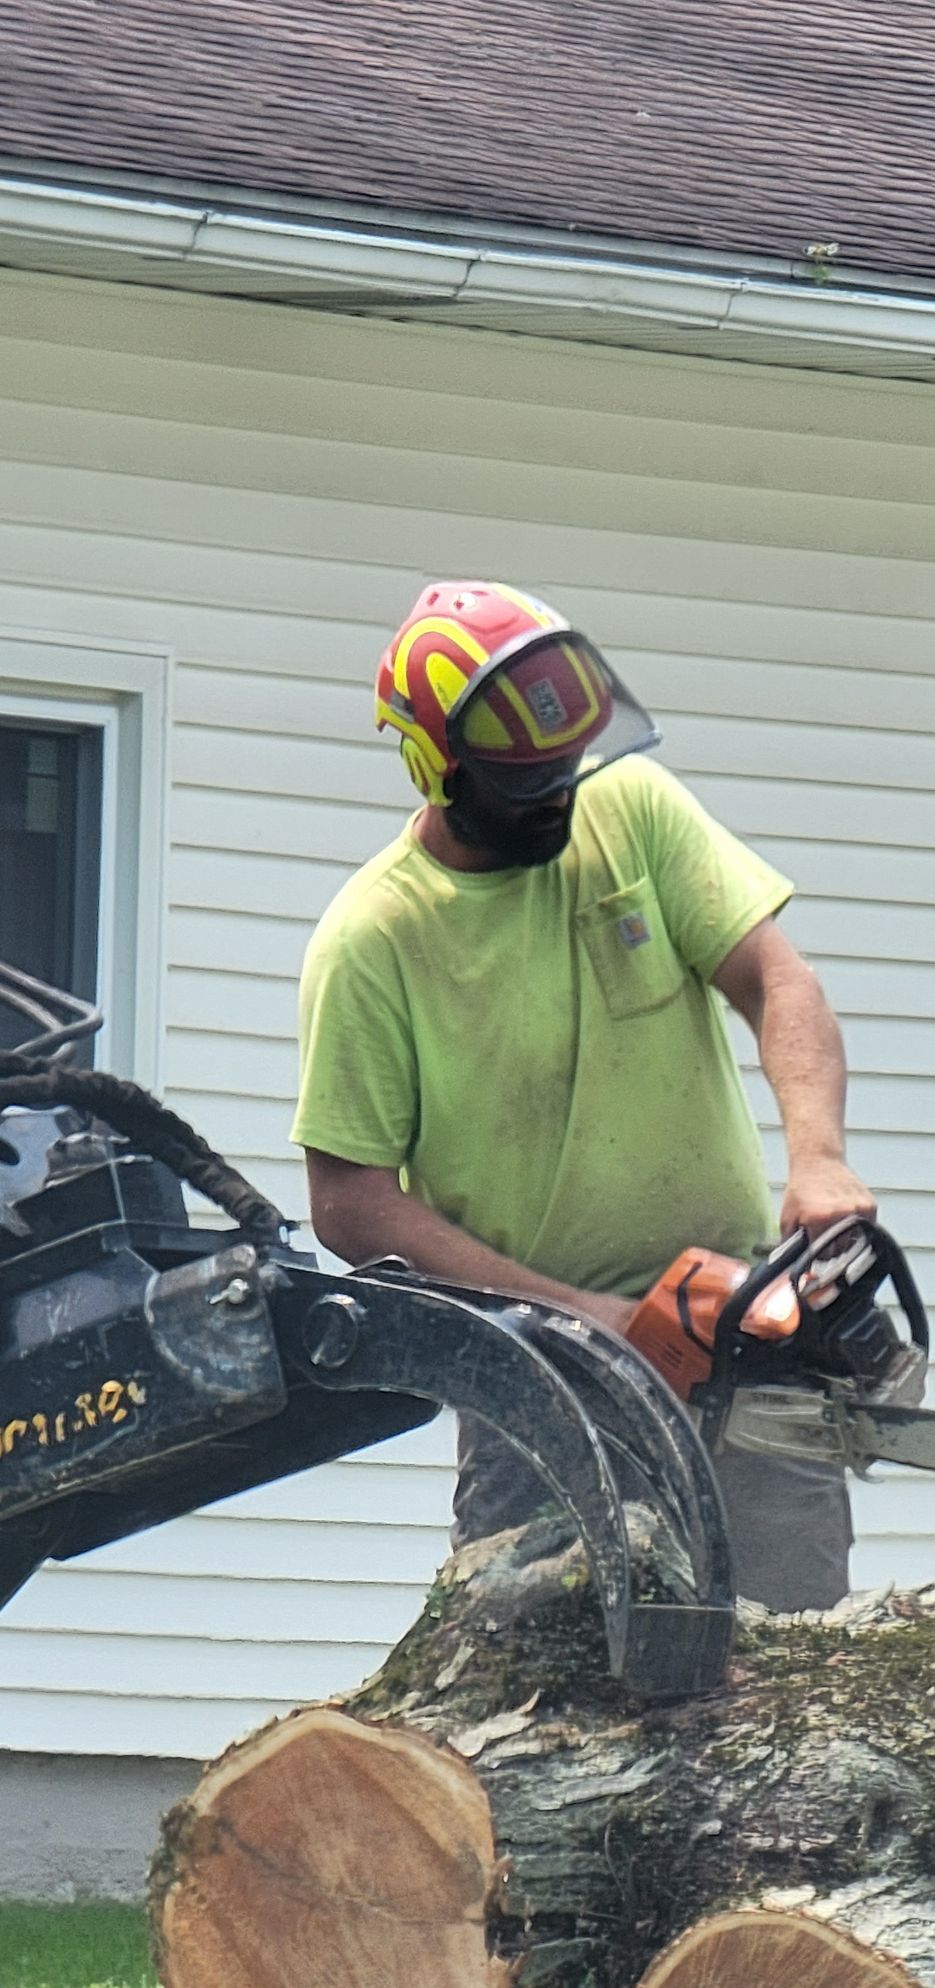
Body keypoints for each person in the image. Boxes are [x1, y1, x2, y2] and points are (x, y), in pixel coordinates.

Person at [290, 579, 873, 1608]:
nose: (561, 796)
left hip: (734, 1326)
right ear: (440, 769)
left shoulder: (631, 810)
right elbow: (351, 1202)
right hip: (536, 1382)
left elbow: (779, 982)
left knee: (794, 1657)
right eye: (530, 784)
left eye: (568, 767)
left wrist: (819, 1158)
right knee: (547, 1668)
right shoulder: (374, 940)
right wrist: (583, 1318)